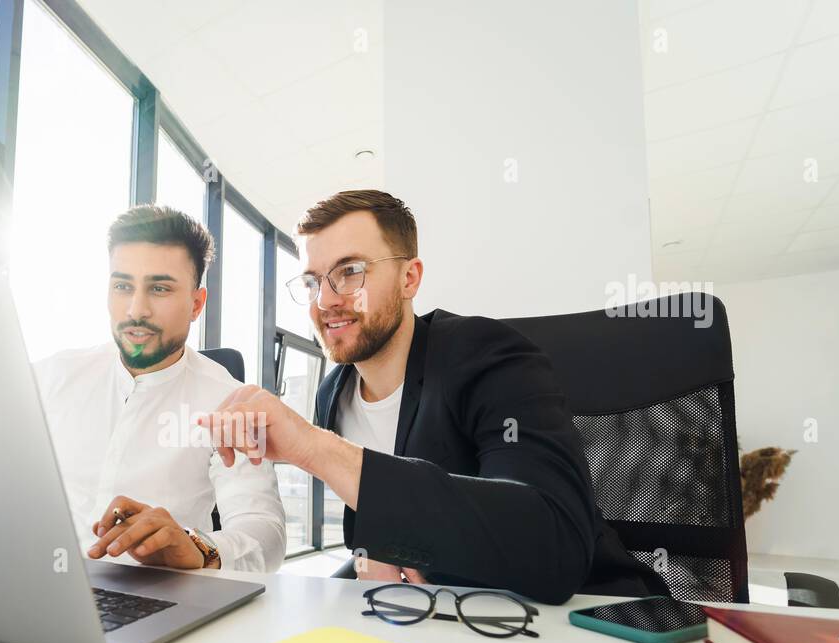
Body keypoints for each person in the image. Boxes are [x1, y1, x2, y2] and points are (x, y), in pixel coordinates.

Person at [197, 189, 669, 603]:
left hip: (587, 621)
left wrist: (316, 448)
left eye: (351, 272)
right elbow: (380, 539)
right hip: (437, 627)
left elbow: (552, 545)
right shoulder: (332, 393)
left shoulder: (488, 357)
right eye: (313, 281)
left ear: (410, 278)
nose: (326, 301)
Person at [34, 204, 286, 573]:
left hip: (159, 595)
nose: (137, 309)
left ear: (196, 304)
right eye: (123, 286)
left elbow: (266, 532)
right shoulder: (53, 375)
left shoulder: (230, 402)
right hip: (42, 585)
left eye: (160, 288)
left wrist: (199, 547)